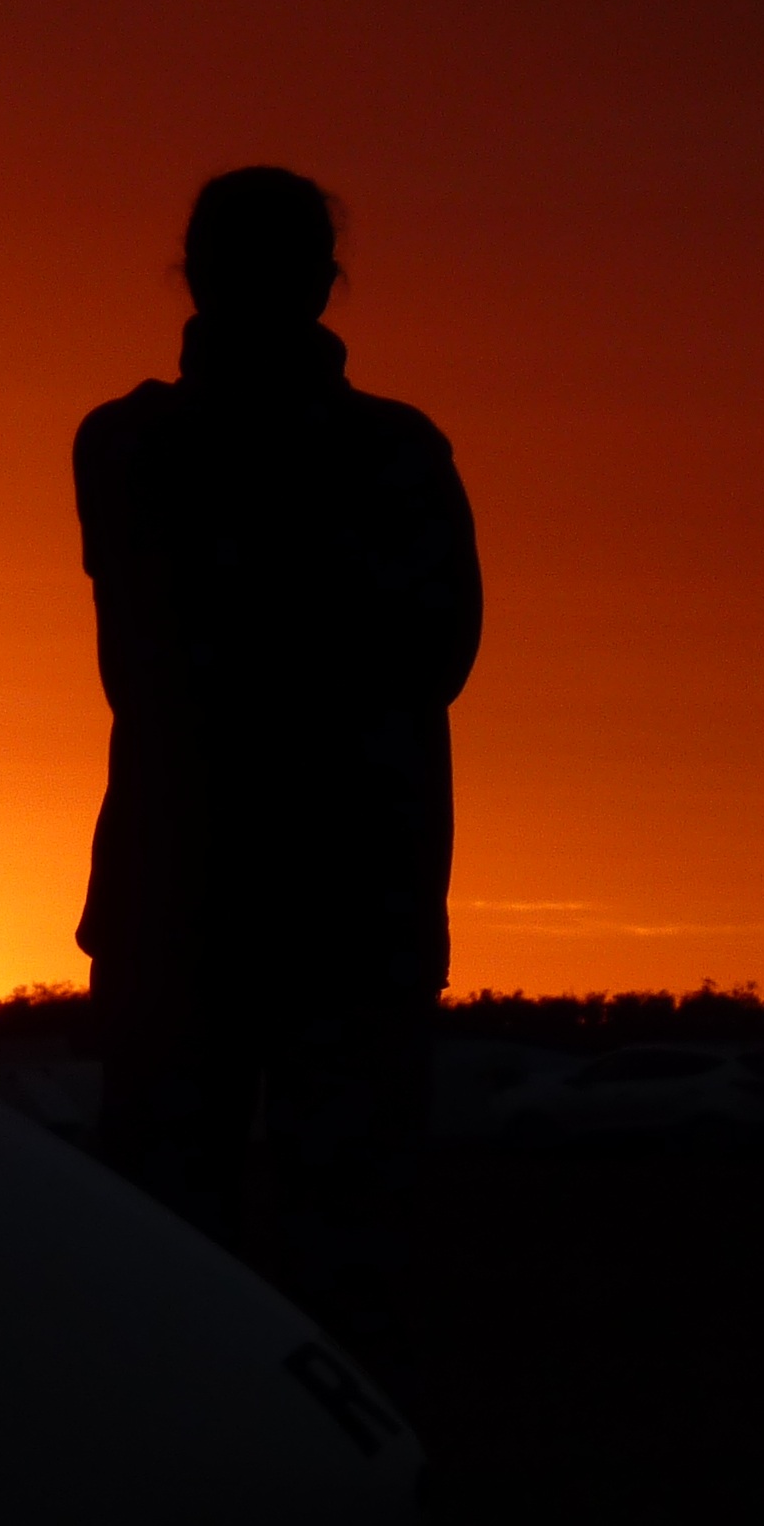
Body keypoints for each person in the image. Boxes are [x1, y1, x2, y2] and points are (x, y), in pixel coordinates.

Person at [76, 167, 481, 1403]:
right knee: (336, 1245)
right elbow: (437, 653)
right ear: (322, 285)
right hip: (344, 898)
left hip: (189, 895)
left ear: (194, 277)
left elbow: (169, 650)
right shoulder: (389, 453)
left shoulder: (131, 443)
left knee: (173, 1231)